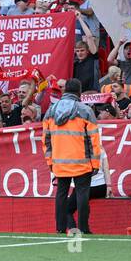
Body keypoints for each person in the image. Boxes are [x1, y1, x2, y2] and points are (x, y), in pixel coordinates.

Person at [43, 78, 102, 234]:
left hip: (59, 161)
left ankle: (60, 228)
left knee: (61, 194)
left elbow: (46, 139)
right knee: (82, 194)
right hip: (82, 162)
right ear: (79, 92)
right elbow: (94, 140)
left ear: (65, 91)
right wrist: (95, 164)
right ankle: (83, 228)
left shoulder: (51, 111)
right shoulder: (85, 110)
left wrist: (50, 161)